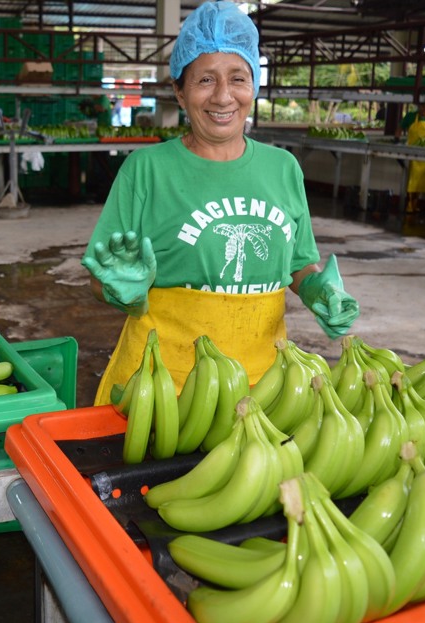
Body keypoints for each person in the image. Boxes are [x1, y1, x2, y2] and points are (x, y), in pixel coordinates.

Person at [80, 0, 359, 406]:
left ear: (255, 86)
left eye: (238, 78)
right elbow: (99, 274)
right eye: (205, 80)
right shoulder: (146, 170)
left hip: (262, 385)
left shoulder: (283, 168)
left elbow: (298, 263)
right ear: (179, 91)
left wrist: (317, 289)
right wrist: (118, 288)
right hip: (163, 387)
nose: (224, 97)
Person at [397, 102, 425, 213]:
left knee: (421, 181)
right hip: (412, 153)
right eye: (423, 106)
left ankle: (415, 204)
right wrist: (396, 140)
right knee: (412, 179)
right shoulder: (410, 116)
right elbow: (400, 128)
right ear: (418, 106)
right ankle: (409, 204)